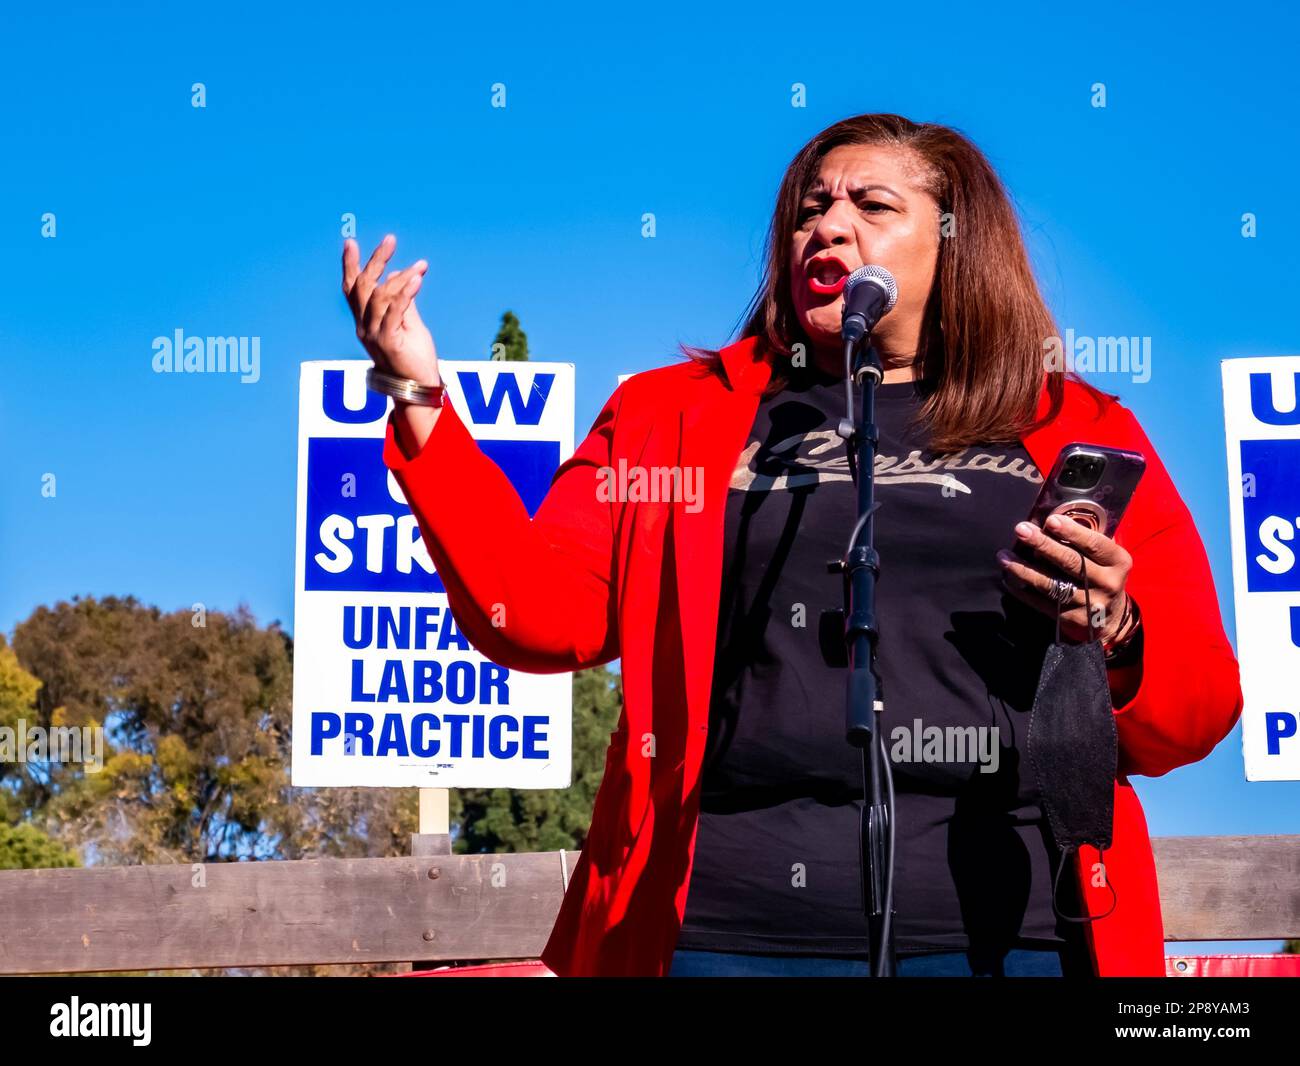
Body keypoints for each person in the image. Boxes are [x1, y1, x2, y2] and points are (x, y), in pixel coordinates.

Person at [340, 113, 1243, 977]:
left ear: (956, 240)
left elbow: (1196, 709)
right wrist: (422, 402)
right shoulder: (670, 417)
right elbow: (537, 617)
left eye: (872, 206)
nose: (829, 225)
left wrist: (1118, 631)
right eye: (812, 207)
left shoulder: (1070, 425)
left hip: (1009, 931)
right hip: (727, 928)